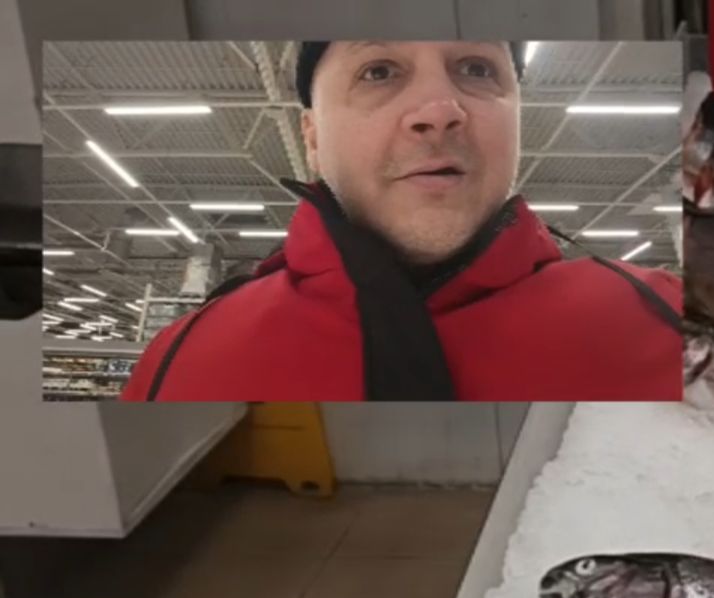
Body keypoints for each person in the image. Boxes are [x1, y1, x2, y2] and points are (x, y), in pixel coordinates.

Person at [121, 40, 682, 402]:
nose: (440, 110)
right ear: (311, 138)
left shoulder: (670, 323)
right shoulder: (180, 363)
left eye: (476, 68)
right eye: (379, 71)